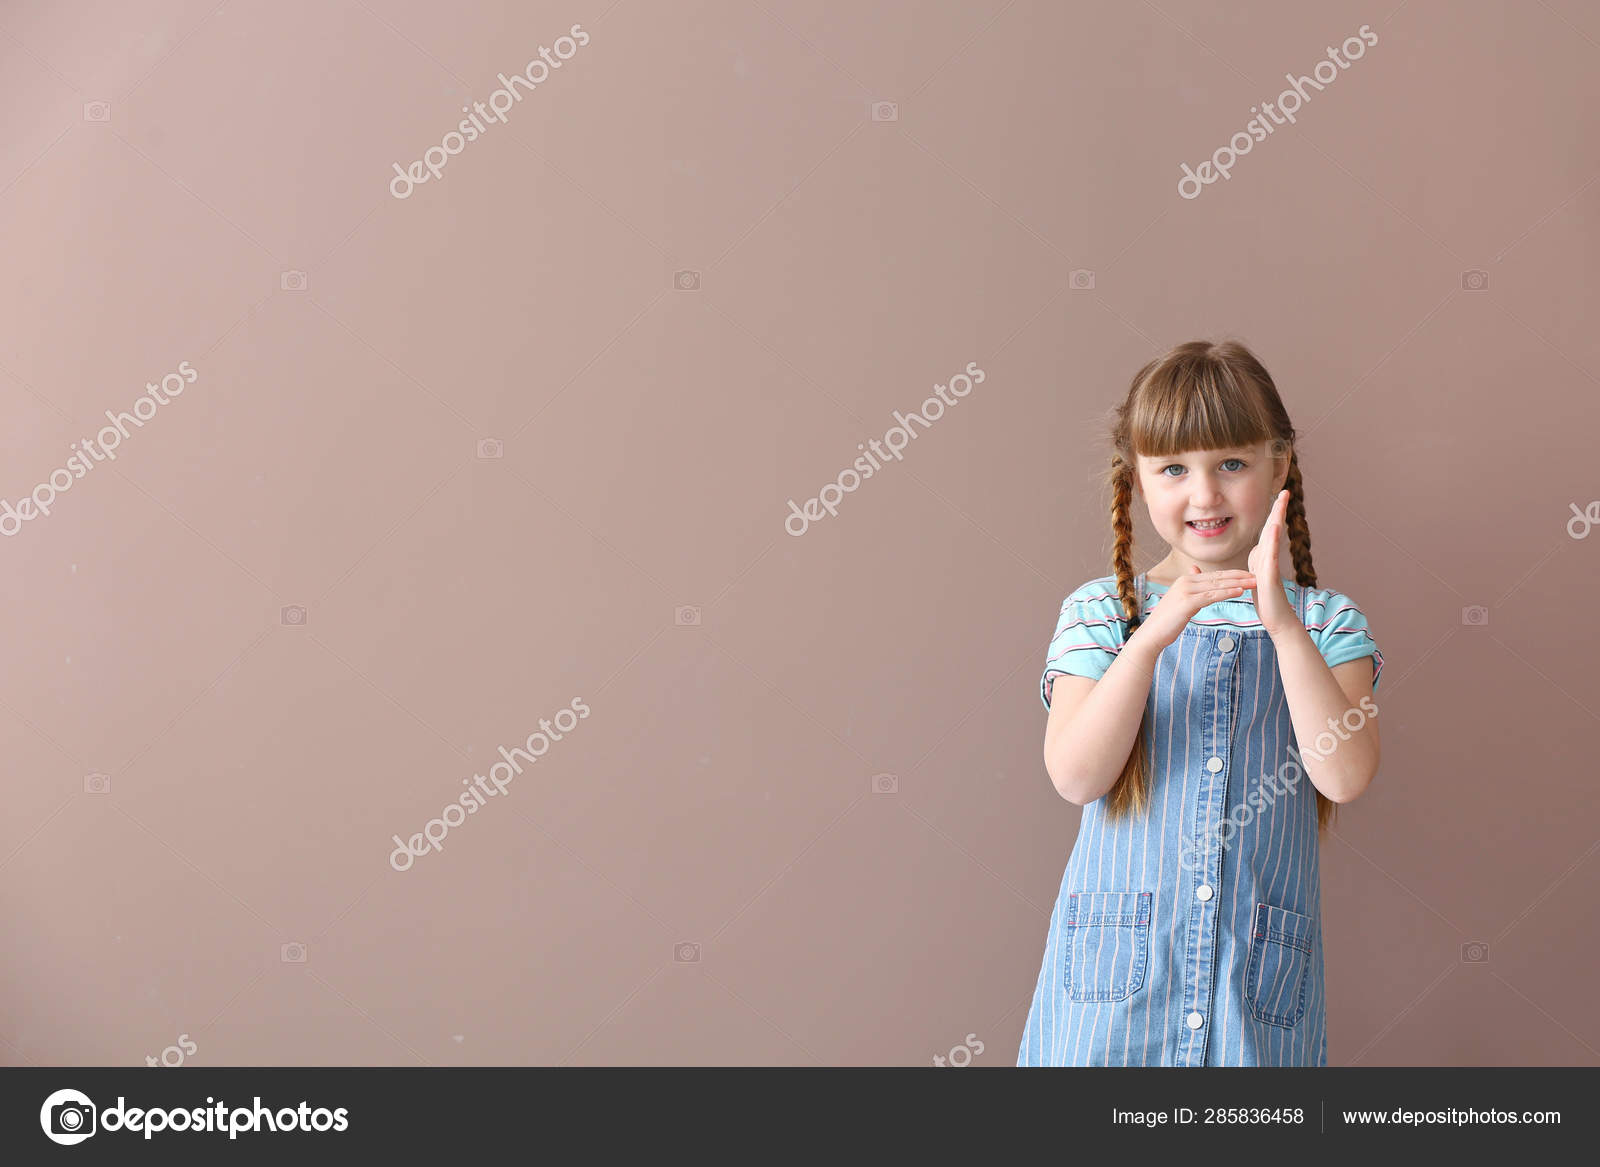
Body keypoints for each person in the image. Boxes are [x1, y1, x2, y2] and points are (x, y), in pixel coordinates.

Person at [1016, 340, 1384, 1066]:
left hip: (1253, 995)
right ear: (1139, 480)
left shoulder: (1325, 624)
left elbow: (1344, 774)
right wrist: (1150, 640)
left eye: (1233, 464)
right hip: (1114, 997)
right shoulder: (1102, 614)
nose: (1205, 494)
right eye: (1176, 468)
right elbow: (1076, 775)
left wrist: (1280, 622)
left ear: (1278, 465)